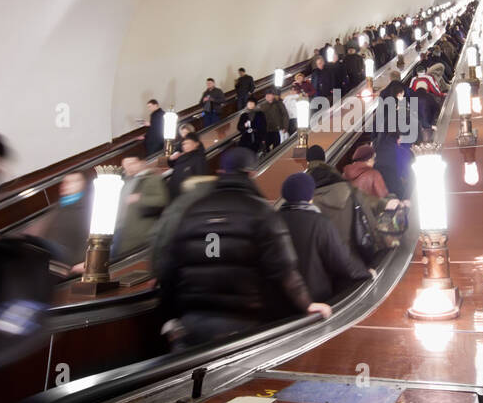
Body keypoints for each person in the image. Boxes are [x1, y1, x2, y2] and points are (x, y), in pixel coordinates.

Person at [152, 147, 331, 351]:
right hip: (239, 325)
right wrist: (307, 304)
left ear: (220, 173)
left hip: (191, 323)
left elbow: (168, 267)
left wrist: (168, 317)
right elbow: (283, 268)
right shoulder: (261, 212)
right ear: (252, 173)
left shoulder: (193, 210)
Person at [277, 172, 372, 303]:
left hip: (280, 294)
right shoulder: (319, 223)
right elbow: (340, 258)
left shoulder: (274, 221)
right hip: (314, 296)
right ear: (310, 196)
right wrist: (364, 272)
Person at [111, 156, 169, 259]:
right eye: (126, 166)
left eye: (132, 163)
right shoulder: (124, 182)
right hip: (120, 230)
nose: (129, 168)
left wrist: (139, 198)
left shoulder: (151, 178)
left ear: (141, 163)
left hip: (139, 232)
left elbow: (161, 200)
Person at [34, 171, 93, 266]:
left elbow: (89, 238)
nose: (67, 185)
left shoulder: (87, 207)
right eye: (65, 182)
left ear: (83, 184)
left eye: (74, 181)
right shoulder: (59, 207)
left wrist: (84, 262)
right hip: (53, 263)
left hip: (71, 265)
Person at [166, 132, 209, 199]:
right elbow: (172, 165)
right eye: (183, 144)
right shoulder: (182, 156)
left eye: (188, 143)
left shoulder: (199, 159)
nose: (184, 146)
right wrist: (171, 159)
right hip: (174, 194)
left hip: (186, 197)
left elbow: (200, 180)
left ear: (196, 144)